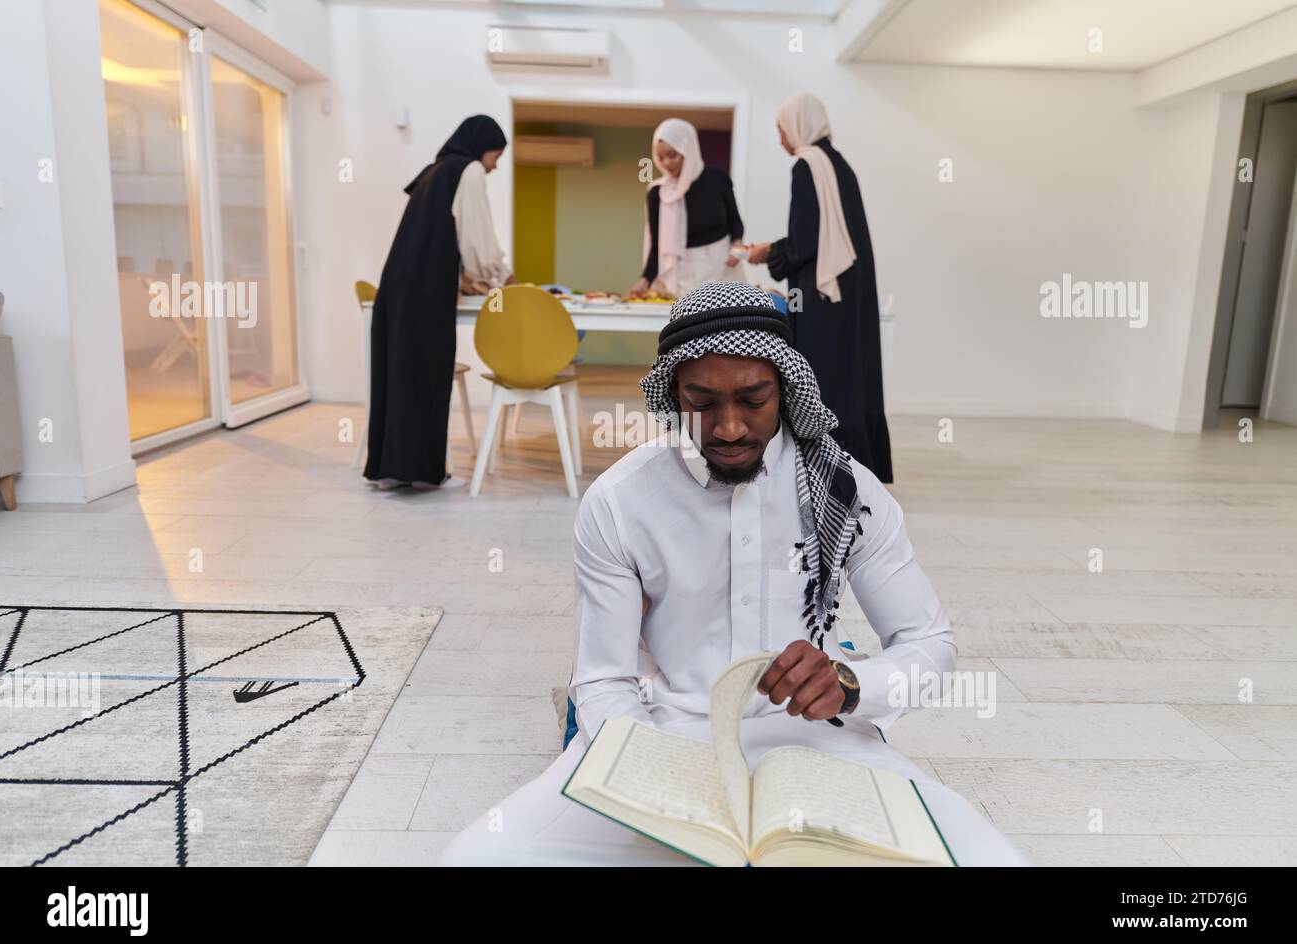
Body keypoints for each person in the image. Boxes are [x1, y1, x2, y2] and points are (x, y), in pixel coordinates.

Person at [437, 283, 1029, 866]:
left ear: (785, 389)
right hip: (663, 735)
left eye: (753, 400)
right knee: (478, 857)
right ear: (672, 394)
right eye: (702, 402)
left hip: (821, 743)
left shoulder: (846, 490)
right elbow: (602, 681)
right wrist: (649, 777)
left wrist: (851, 686)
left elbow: (930, 646)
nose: (727, 428)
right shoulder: (621, 501)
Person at [748, 93, 894, 483]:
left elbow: (805, 243)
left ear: (797, 126)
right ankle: (854, 468)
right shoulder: (840, 165)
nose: (781, 139)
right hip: (849, 293)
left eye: (781, 130)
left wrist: (768, 253)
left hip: (820, 297)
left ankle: (821, 464)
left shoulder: (806, 166)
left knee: (819, 374)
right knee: (849, 373)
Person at [363, 115, 513, 490]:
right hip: (427, 293)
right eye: (497, 155)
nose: (495, 166)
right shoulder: (470, 171)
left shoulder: (434, 172)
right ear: (484, 146)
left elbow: (438, 237)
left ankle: (390, 470)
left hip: (398, 287)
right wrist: (502, 275)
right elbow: (477, 239)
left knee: (400, 376)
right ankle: (422, 473)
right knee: (427, 376)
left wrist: (465, 279)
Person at [627, 118, 746, 300]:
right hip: (684, 278)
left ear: (688, 149)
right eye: (660, 158)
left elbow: (735, 222)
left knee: (727, 326)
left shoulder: (717, 179)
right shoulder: (658, 192)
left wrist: (738, 250)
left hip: (723, 271)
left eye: (672, 155)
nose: (666, 163)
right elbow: (657, 245)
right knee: (690, 326)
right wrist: (645, 279)